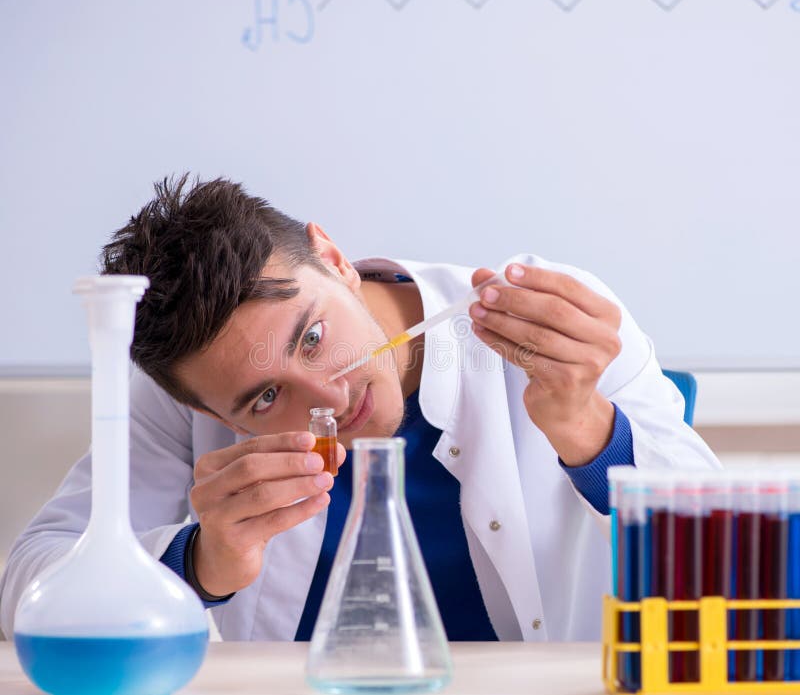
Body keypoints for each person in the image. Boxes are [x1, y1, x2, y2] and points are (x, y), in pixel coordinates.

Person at [0, 176, 719, 642]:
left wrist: (591, 433)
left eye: (312, 336)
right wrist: (199, 561)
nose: (331, 396)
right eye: (266, 397)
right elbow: (26, 588)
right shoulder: (181, 396)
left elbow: (731, 556)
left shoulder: (546, 323)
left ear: (334, 258)